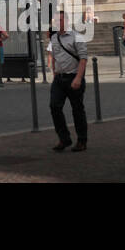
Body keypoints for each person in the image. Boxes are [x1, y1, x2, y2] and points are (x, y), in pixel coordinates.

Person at [46, 11, 89, 152]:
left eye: (60, 20)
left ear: (67, 21)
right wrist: (54, 72)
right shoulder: (53, 38)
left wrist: (78, 77)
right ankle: (64, 139)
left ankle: (82, 140)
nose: (57, 23)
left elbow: (83, 58)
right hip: (59, 79)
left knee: (77, 110)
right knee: (54, 106)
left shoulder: (77, 37)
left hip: (74, 77)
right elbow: (54, 56)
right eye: (56, 20)